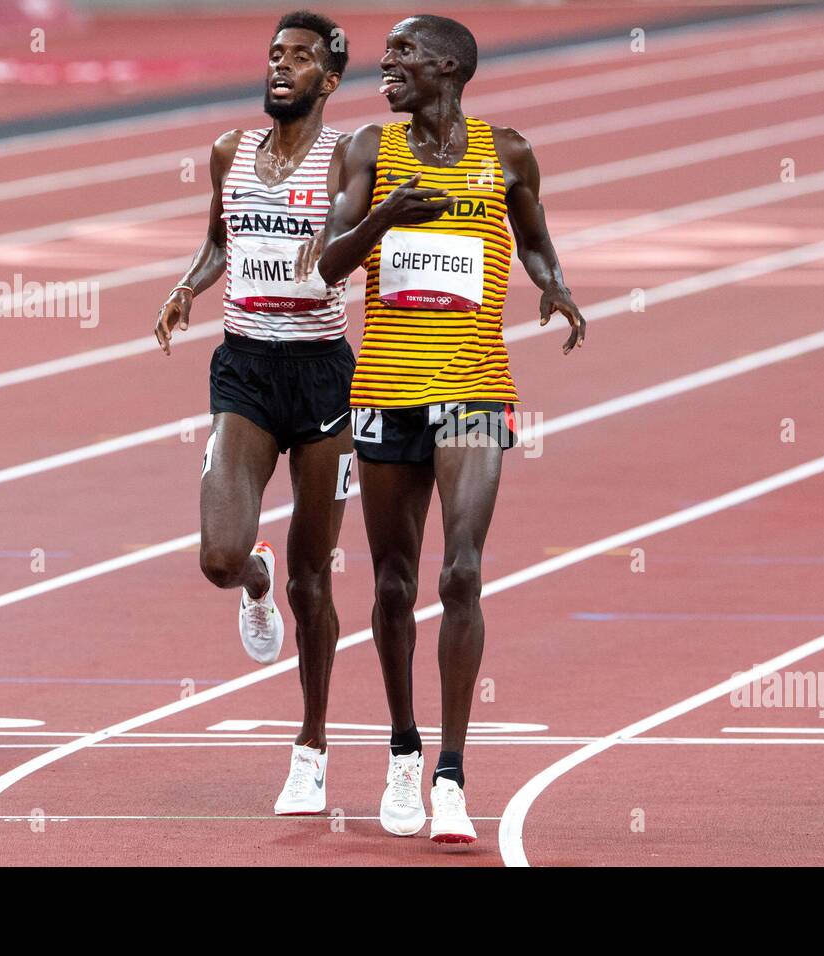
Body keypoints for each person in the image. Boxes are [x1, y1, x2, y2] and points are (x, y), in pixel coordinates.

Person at [316, 14, 586, 844]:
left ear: (448, 67)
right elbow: (328, 263)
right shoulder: (368, 149)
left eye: (401, 55)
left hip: (474, 386)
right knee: (395, 583)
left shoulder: (507, 152)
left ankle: (452, 776)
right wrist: (384, 217)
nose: (385, 66)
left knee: (461, 574)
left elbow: (534, 237)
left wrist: (555, 283)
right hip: (387, 384)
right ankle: (402, 748)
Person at [153, 10, 353, 817]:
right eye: (275, 54)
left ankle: (310, 746)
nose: (281, 66)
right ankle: (252, 576)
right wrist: (184, 287)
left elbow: (362, 243)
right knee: (218, 556)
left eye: (301, 58)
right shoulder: (228, 153)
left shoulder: (349, 157)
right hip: (243, 369)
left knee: (316, 580)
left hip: (323, 377)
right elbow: (218, 242)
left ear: (330, 80)